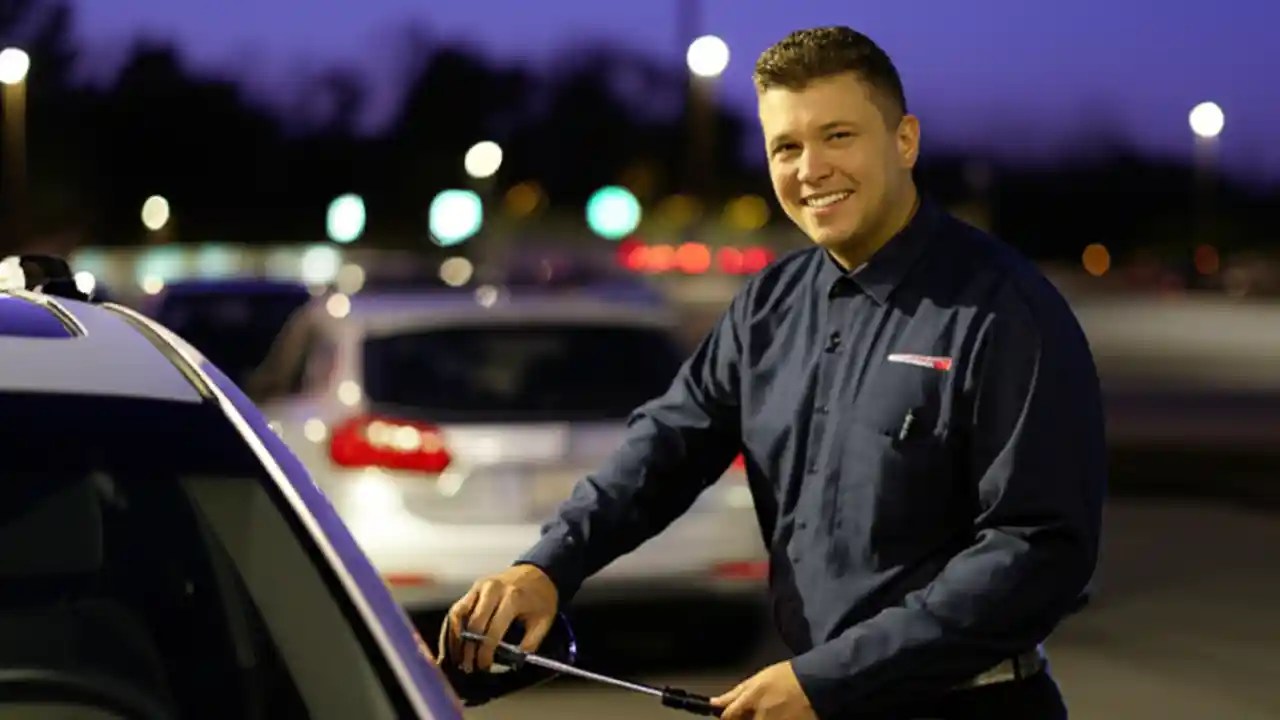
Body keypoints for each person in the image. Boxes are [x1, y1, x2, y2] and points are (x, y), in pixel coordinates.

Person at [444, 25, 1106, 720]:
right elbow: (666, 446)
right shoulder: (768, 306)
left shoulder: (1007, 311)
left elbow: (1038, 553)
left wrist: (832, 678)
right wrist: (547, 566)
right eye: (786, 147)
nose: (810, 169)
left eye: (838, 136)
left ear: (904, 140)